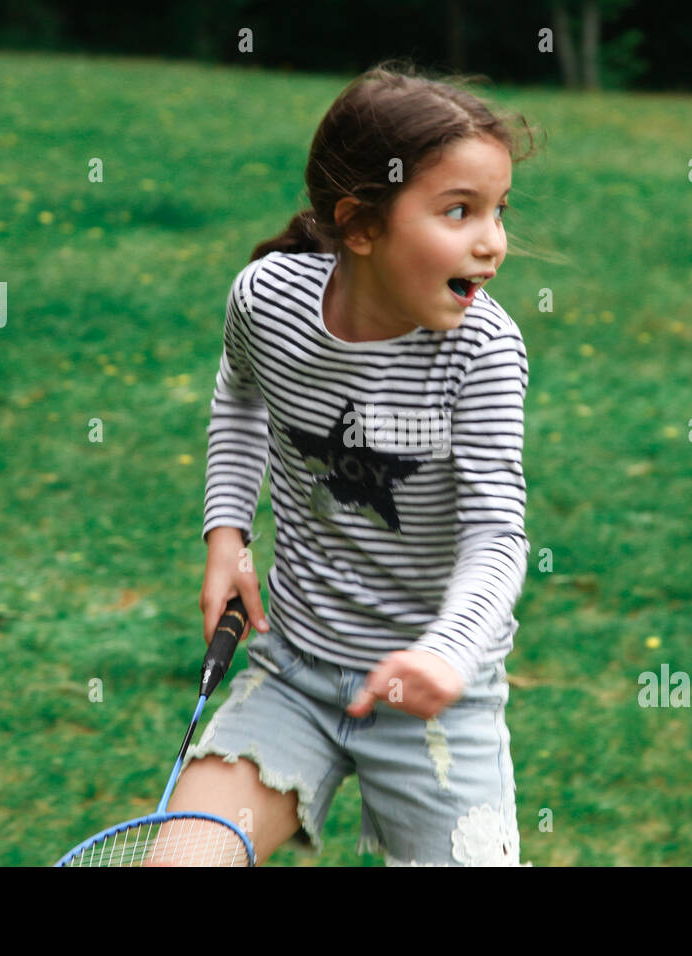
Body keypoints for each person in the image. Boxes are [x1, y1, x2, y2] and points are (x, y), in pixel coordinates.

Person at [167, 58, 542, 866]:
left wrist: (445, 652)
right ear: (362, 227)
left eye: (499, 210)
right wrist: (225, 536)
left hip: (435, 705)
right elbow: (240, 396)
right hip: (292, 672)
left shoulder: (482, 350)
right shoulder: (267, 299)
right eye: (458, 211)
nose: (493, 241)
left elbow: (497, 536)